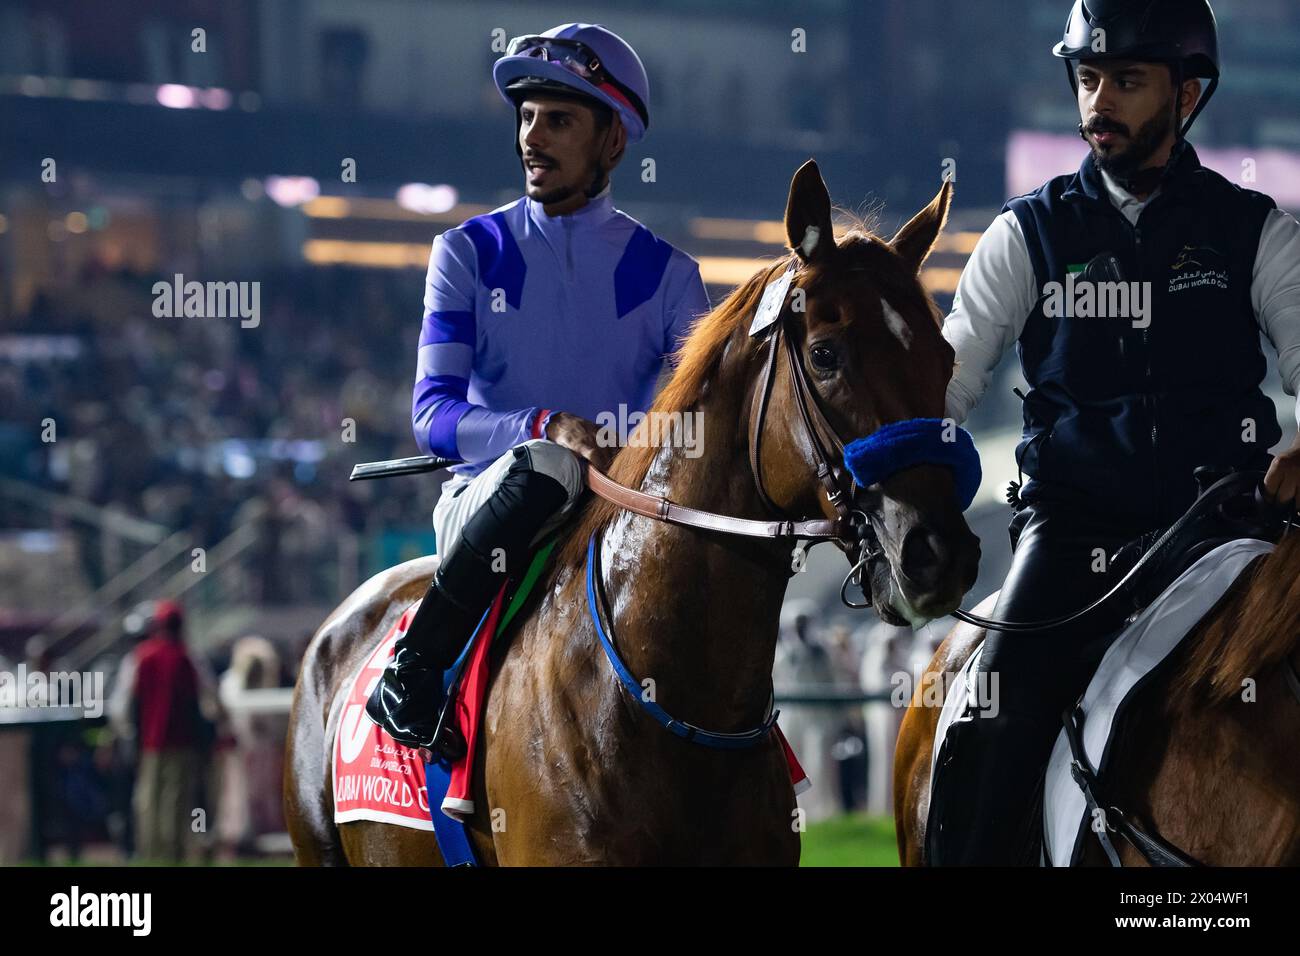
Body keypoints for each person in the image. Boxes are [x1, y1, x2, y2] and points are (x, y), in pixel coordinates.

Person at [929, 0, 1300, 864]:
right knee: (995, 707)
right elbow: (946, 387)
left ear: (1188, 95)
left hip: (1226, 536)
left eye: (1127, 81)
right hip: (1070, 535)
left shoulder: (1257, 232)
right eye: (1089, 77)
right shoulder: (1025, 233)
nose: (1098, 102)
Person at [366, 23, 711, 757]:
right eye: (526, 117)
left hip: (619, 510)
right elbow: (431, 418)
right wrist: (545, 425)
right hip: (486, 508)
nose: (532, 136)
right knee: (549, 465)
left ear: (612, 141)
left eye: (558, 120)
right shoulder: (466, 252)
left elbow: (694, 425)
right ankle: (414, 670)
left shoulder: (673, 276)